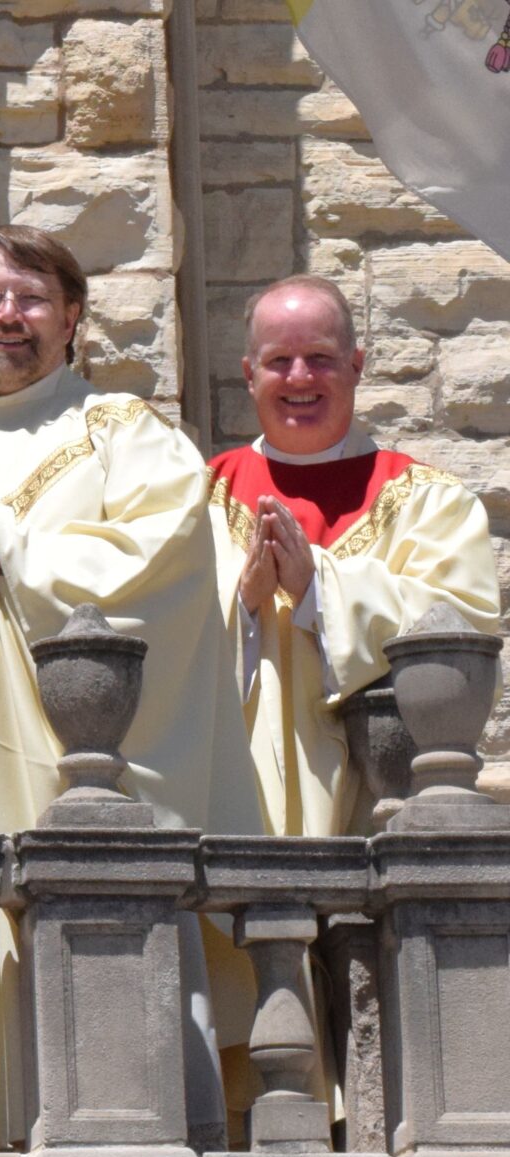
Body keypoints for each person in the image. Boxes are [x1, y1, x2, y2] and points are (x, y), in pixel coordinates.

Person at [0, 225, 261, 1151]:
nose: (6, 318)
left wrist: (11, 545)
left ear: (72, 318)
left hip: (73, 779)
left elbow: (167, 560)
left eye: (30, 300)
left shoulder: (124, 435)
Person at [209, 275, 497, 837]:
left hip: (380, 812)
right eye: (279, 360)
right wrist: (241, 599)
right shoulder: (200, 497)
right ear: (249, 374)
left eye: (319, 357)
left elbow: (463, 634)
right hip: (231, 804)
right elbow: (159, 635)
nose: (299, 377)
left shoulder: (429, 501)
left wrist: (319, 588)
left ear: (356, 365)